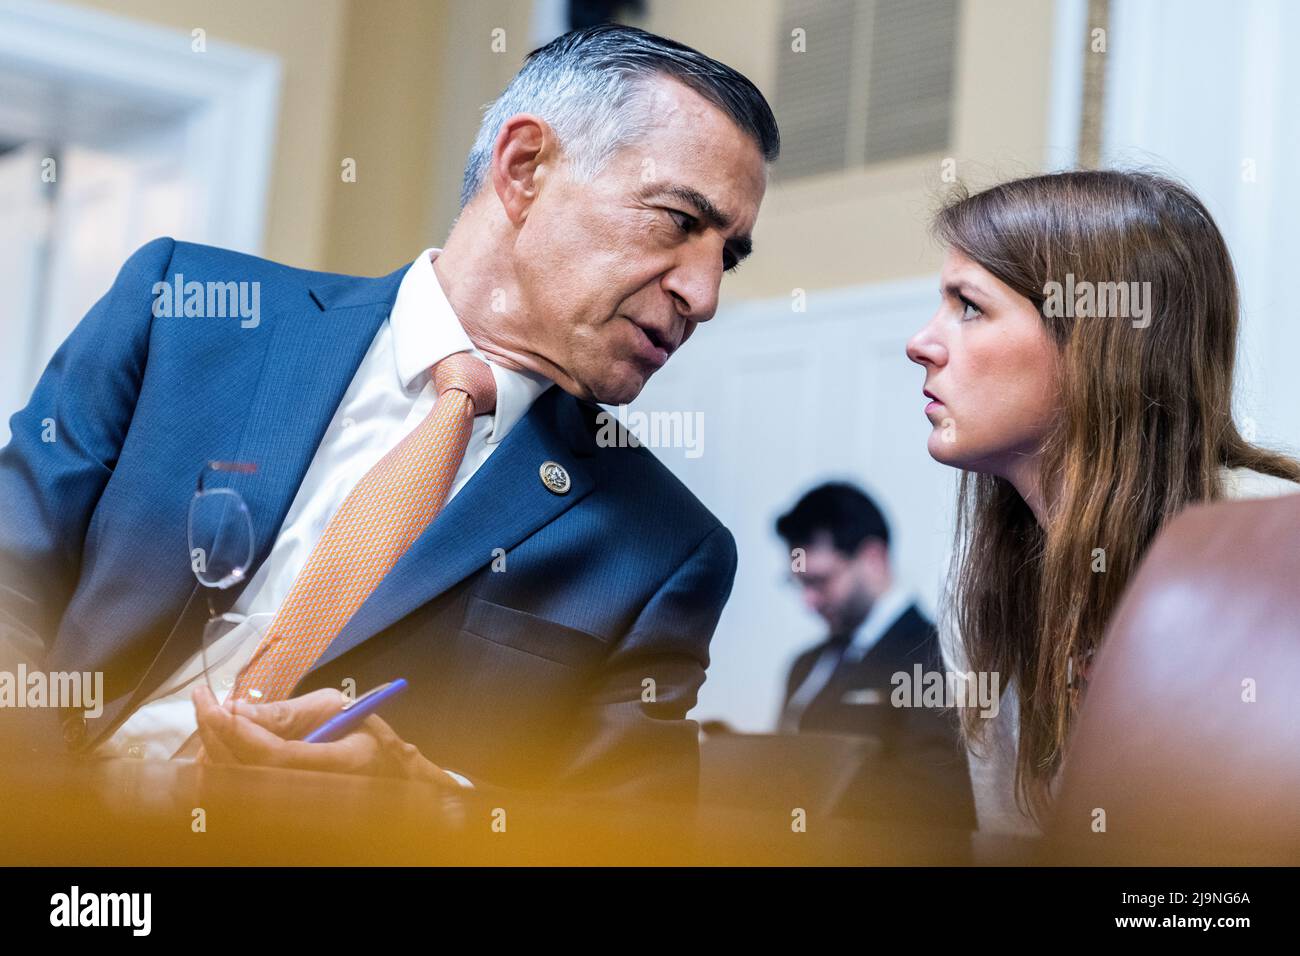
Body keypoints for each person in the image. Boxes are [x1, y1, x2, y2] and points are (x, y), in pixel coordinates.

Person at [0, 24, 778, 802]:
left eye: (727, 256)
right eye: (679, 221)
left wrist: (426, 812)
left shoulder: (664, 549)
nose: (703, 296)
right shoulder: (184, 311)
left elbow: (626, 842)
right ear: (525, 167)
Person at [905, 169, 1300, 834]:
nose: (922, 344)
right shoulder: (1000, 590)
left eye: (969, 307)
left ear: (1095, 340)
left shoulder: (1272, 549)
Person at [775, 482, 975, 827]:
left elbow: (936, 796)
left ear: (872, 558)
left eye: (819, 581)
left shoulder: (933, 656)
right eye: (800, 584)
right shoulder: (805, 664)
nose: (809, 602)